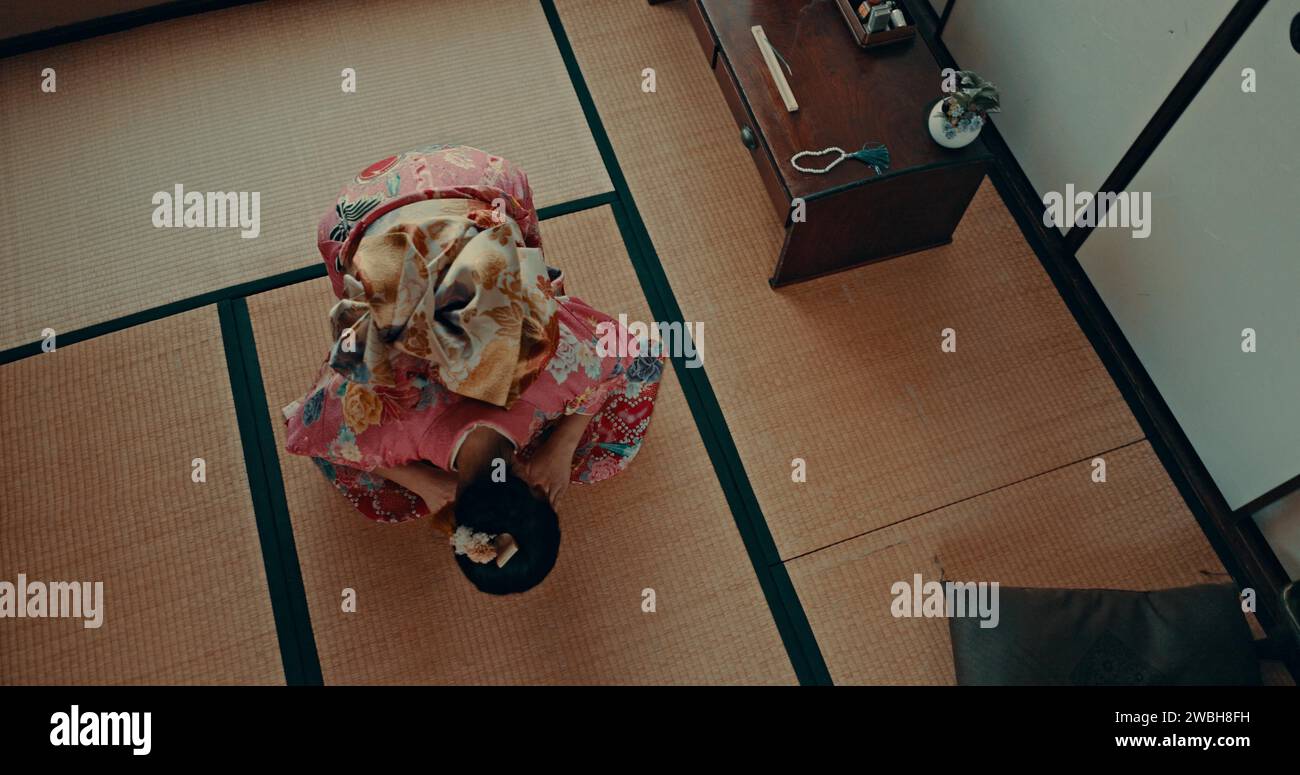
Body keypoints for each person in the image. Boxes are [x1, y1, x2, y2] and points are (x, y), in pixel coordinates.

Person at [281, 145, 664, 594]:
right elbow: (304, 431)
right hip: (353, 220)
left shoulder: (553, 375)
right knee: (382, 496)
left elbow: (640, 349)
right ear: (457, 512)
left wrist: (562, 447)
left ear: (535, 486)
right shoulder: (387, 425)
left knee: (599, 425)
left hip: (479, 177)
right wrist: (424, 482)